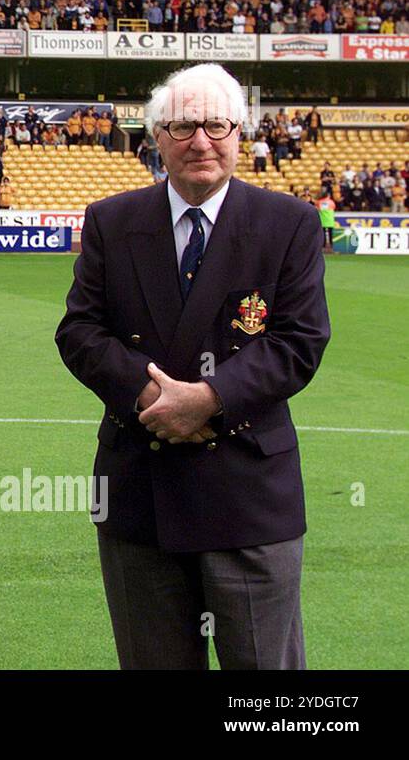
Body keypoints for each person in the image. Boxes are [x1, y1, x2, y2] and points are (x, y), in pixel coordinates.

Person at [56, 62, 330, 670]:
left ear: (239, 133)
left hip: (250, 499)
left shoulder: (288, 224)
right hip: (139, 494)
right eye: (182, 126)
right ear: (156, 136)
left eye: (215, 124)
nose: (200, 141)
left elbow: (299, 341)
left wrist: (208, 398)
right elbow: (79, 331)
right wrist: (154, 401)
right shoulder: (112, 220)